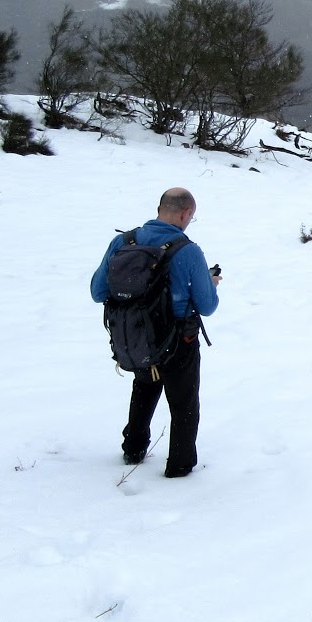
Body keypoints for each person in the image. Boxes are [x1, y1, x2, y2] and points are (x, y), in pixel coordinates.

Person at [90, 187, 221, 477]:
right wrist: (210, 282)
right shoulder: (187, 250)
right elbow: (207, 305)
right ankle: (180, 465)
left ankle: (133, 449)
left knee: (145, 386)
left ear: (160, 208)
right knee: (183, 401)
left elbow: (98, 292)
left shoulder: (122, 242)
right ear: (186, 213)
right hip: (178, 340)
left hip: (137, 337)